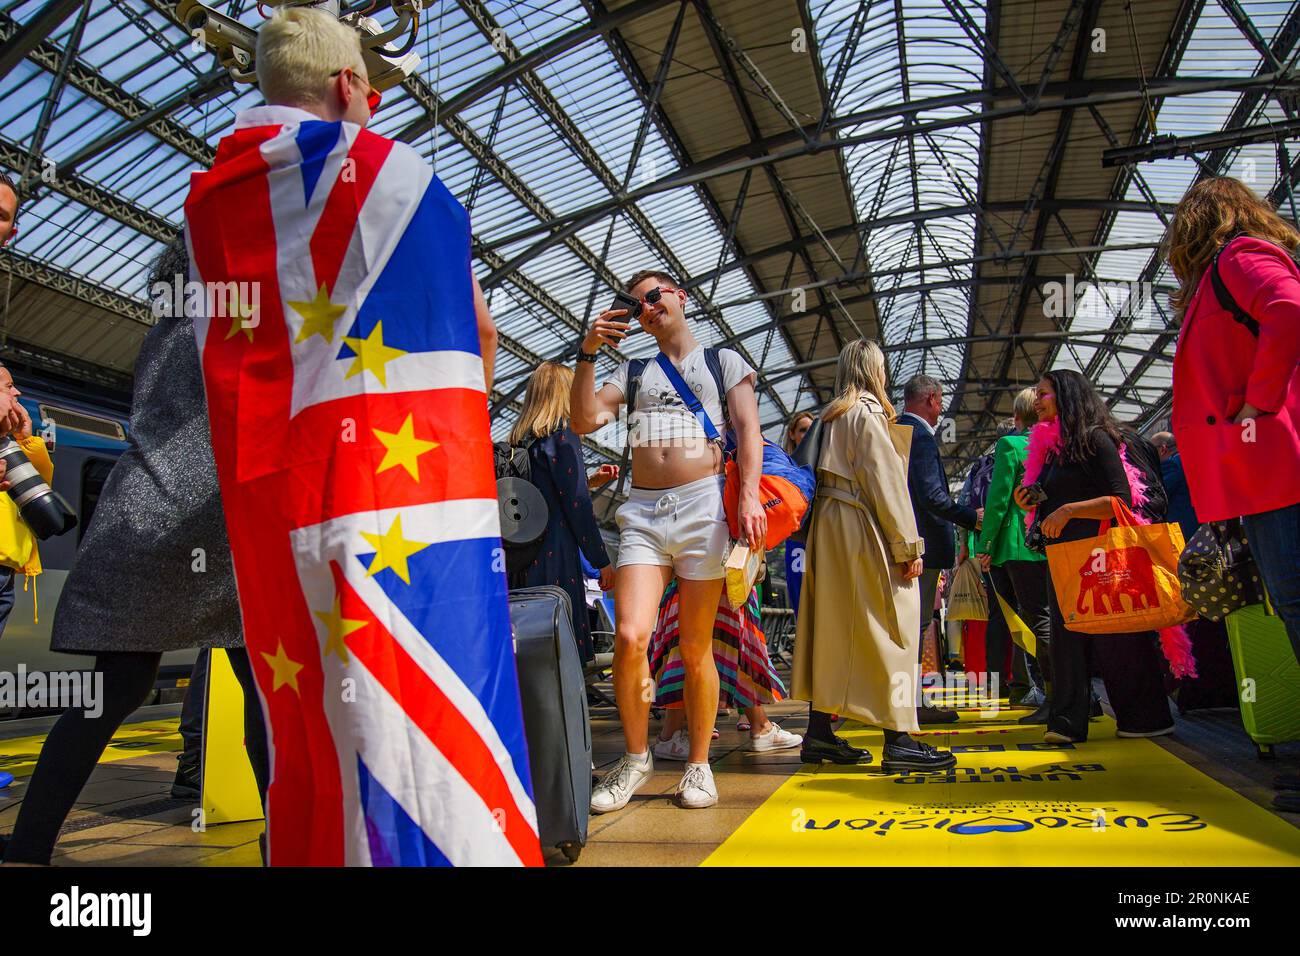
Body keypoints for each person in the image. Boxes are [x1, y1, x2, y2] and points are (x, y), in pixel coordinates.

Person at [0, 237, 271, 867]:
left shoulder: (168, 325)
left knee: (115, 686)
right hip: (217, 519)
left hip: (143, 511)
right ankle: (284, 840)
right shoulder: (243, 322)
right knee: (264, 688)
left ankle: (31, 845)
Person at [571, 268, 766, 812]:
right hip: (643, 512)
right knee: (632, 638)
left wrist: (748, 496)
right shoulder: (630, 370)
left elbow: (748, 431)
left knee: (694, 644)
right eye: (637, 307)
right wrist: (587, 352)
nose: (648, 308)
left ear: (680, 296)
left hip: (703, 505)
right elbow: (584, 419)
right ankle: (635, 759)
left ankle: (699, 765)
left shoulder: (722, 361)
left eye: (655, 297)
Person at [792, 339, 956, 772]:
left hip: (830, 531)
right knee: (893, 626)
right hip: (861, 527)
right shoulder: (866, 412)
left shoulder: (832, 414)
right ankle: (899, 739)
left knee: (833, 632)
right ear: (873, 370)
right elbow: (886, 483)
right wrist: (908, 545)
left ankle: (820, 735)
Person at [1165, 176, 1300, 666]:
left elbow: (1290, 309)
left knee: (1294, 599)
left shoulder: (1237, 257)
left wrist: (1257, 404)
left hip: (1277, 469)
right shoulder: (1222, 275)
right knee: (1288, 601)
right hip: (1262, 476)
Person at [1013, 370, 1175, 744]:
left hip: (1100, 556)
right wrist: (1032, 500)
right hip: (1065, 556)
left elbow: (1122, 500)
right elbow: (1057, 495)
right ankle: (1066, 723)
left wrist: (1069, 511)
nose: (1036, 400)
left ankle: (1145, 719)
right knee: (1066, 638)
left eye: (1044, 394)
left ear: (1066, 397)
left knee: (1118, 638)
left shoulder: (1097, 439)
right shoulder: (1053, 449)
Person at [507, 362, 613, 661]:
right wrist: (600, 560)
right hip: (554, 558)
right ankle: (566, 704)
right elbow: (575, 504)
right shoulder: (562, 435)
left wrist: (589, 482)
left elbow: (540, 495)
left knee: (529, 646)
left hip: (520, 558)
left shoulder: (518, 441)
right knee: (560, 644)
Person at [897, 373, 982, 723]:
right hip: (923, 549)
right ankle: (913, 705)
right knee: (916, 627)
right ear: (931, 398)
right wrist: (968, 517)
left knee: (906, 626)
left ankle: (904, 701)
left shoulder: (897, 430)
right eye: (940, 400)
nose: (941, 407)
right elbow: (932, 497)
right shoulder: (920, 437)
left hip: (901, 542)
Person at [975, 387, 1053, 723]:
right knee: (1052, 617)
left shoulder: (1011, 445)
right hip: (1053, 541)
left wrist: (986, 546)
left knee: (1022, 618)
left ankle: (1046, 694)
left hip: (1017, 544)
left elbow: (999, 500)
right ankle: (1074, 692)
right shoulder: (1059, 444)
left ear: (1019, 417)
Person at [0, 365, 51, 643]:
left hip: (6, 571)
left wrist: (25, 440)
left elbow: (40, 488)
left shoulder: (7, 443)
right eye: (9, 386)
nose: (17, 392)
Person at [782, 410, 815, 616]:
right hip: (797, 542)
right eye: (803, 430)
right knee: (802, 602)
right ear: (792, 434)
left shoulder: (824, 463)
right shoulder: (783, 464)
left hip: (821, 539)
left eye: (811, 430)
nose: (807, 435)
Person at [1151, 432, 1198, 543]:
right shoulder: (1189, 460)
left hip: (1181, 533)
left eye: (1150, 451)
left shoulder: (1172, 465)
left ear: (1162, 449)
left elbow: (1156, 496)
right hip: (1200, 529)